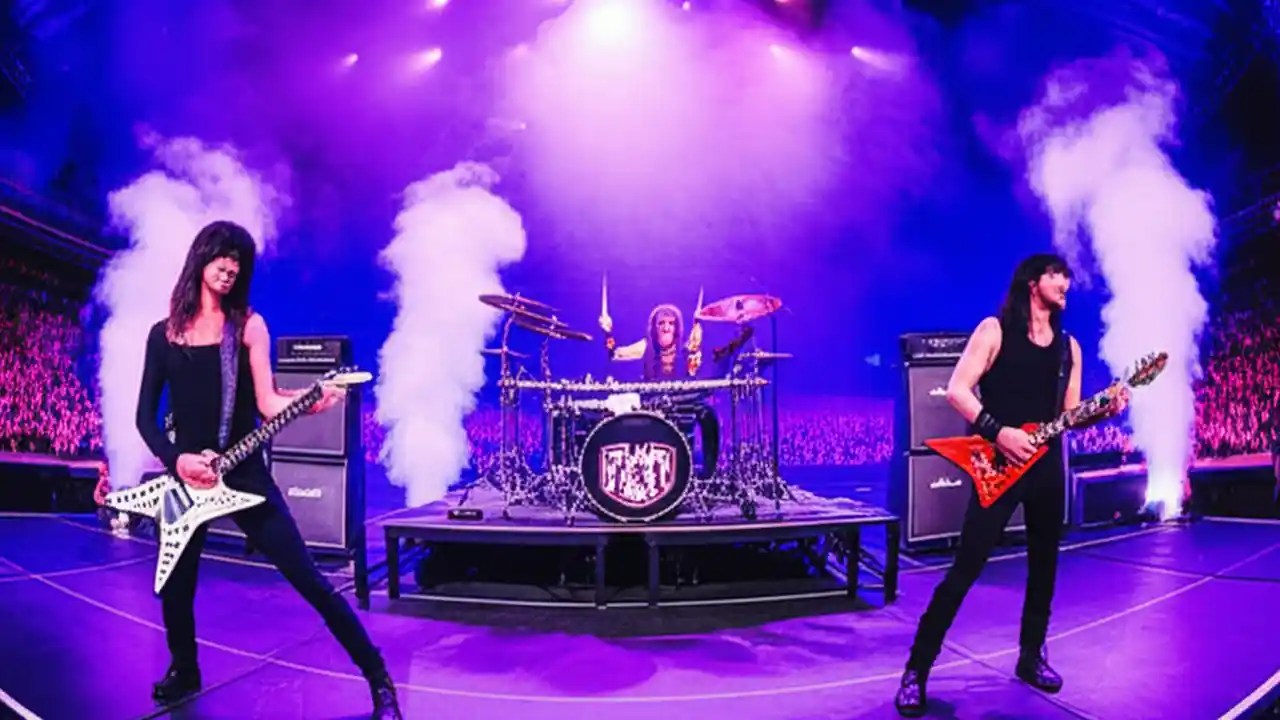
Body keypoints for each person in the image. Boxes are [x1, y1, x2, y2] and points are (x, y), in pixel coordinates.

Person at [134, 220, 402, 719]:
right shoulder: (162, 336)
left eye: (240, 260)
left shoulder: (248, 326)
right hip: (186, 478)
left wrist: (310, 400)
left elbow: (266, 402)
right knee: (175, 582)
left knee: (309, 579)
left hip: (244, 473)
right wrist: (178, 460)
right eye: (224, 254)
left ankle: (378, 678)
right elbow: (144, 418)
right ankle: (184, 667)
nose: (231, 266)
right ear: (202, 256)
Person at [894, 253, 1126, 717]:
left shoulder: (1069, 347)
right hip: (999, 463)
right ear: (1033, 280)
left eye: (1068, 278)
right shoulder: (994, 331)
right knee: (965, 570)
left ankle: (1031, 655)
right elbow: (959, 390)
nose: (1066, 283)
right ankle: (917, 669)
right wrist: (999, 431)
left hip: (1046, 469)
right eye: (1057, 275)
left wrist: (1105, 409)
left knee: (1045, 568)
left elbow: (1069, 414)